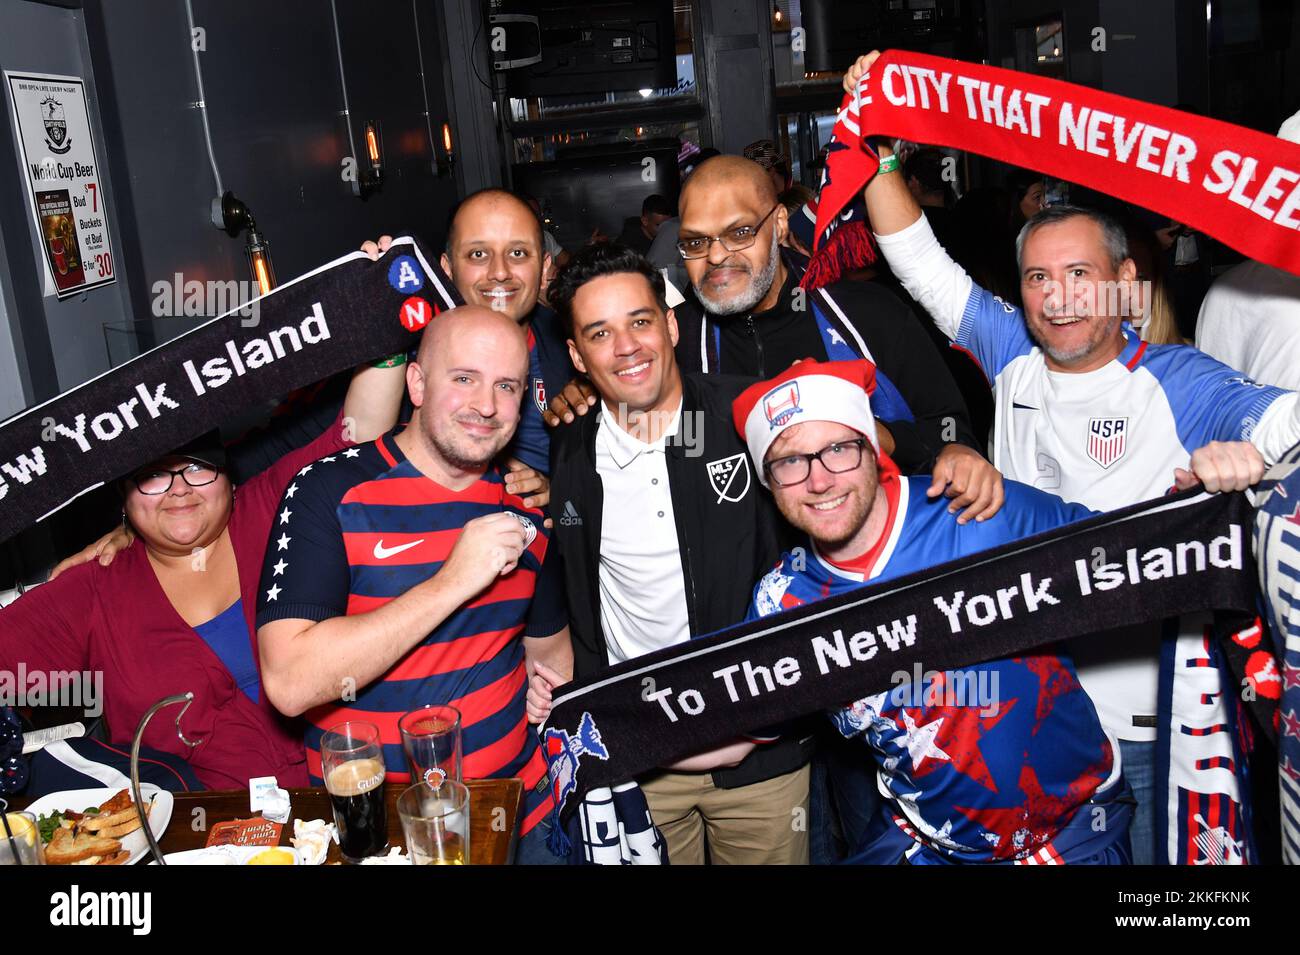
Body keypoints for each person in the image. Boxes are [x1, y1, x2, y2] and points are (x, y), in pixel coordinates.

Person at [847, 48, 1294, 864]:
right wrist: (877, 139)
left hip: (1152, 724)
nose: (1056, 297)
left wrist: (1253, 455)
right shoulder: (1009, 348)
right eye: (1038, 278)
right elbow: (917, 260)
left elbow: (1286, 417)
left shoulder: (1176, 379)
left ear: (1126, 280)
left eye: (1080, 274)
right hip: (1030, 712)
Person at [736, 358, 1133, 864]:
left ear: (872, 448)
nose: (819, 480)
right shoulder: (781, 602)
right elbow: (731, 724)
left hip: (1072, 837)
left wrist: (1215, 496)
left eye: (839, 449)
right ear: (769, 483)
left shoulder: (979, 511)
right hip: (926, 844)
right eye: (790, 462)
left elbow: (1136, 557)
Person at [255, 305, 572, 863]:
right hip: (380, 836)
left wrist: (549, 695)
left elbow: (551, 656)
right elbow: (290, 682)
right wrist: (453, 581)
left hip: (525, 819)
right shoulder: (329, 492)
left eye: (507, 386)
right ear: (418, 383)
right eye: (464, 378)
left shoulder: (525, 506)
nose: (486, 405)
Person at [0, 359, 407, 790]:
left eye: (196, 466)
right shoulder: (95, 586)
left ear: (227, 475)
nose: (178, 489)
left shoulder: (272, 507)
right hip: (195, 840)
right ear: (124, 494)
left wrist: (384, 313)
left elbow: (359, 434)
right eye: (153, 475)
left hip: (350, 791)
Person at [535, 242, 809, 864]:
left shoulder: (753, 415)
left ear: (672, 323)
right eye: (600, 333)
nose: (627, 346)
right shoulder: (567, 452)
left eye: (639, 321)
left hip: (760, 762)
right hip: (638, 764)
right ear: (577, 356)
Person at [361, 188, 574, 480]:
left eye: (517, 253)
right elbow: (355, 460)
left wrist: (559, 497)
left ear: (544, 268)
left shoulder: (576, 349)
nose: (500, 272)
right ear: (447, 269)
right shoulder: (407, 349)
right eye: (478, 254)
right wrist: (372, 321)